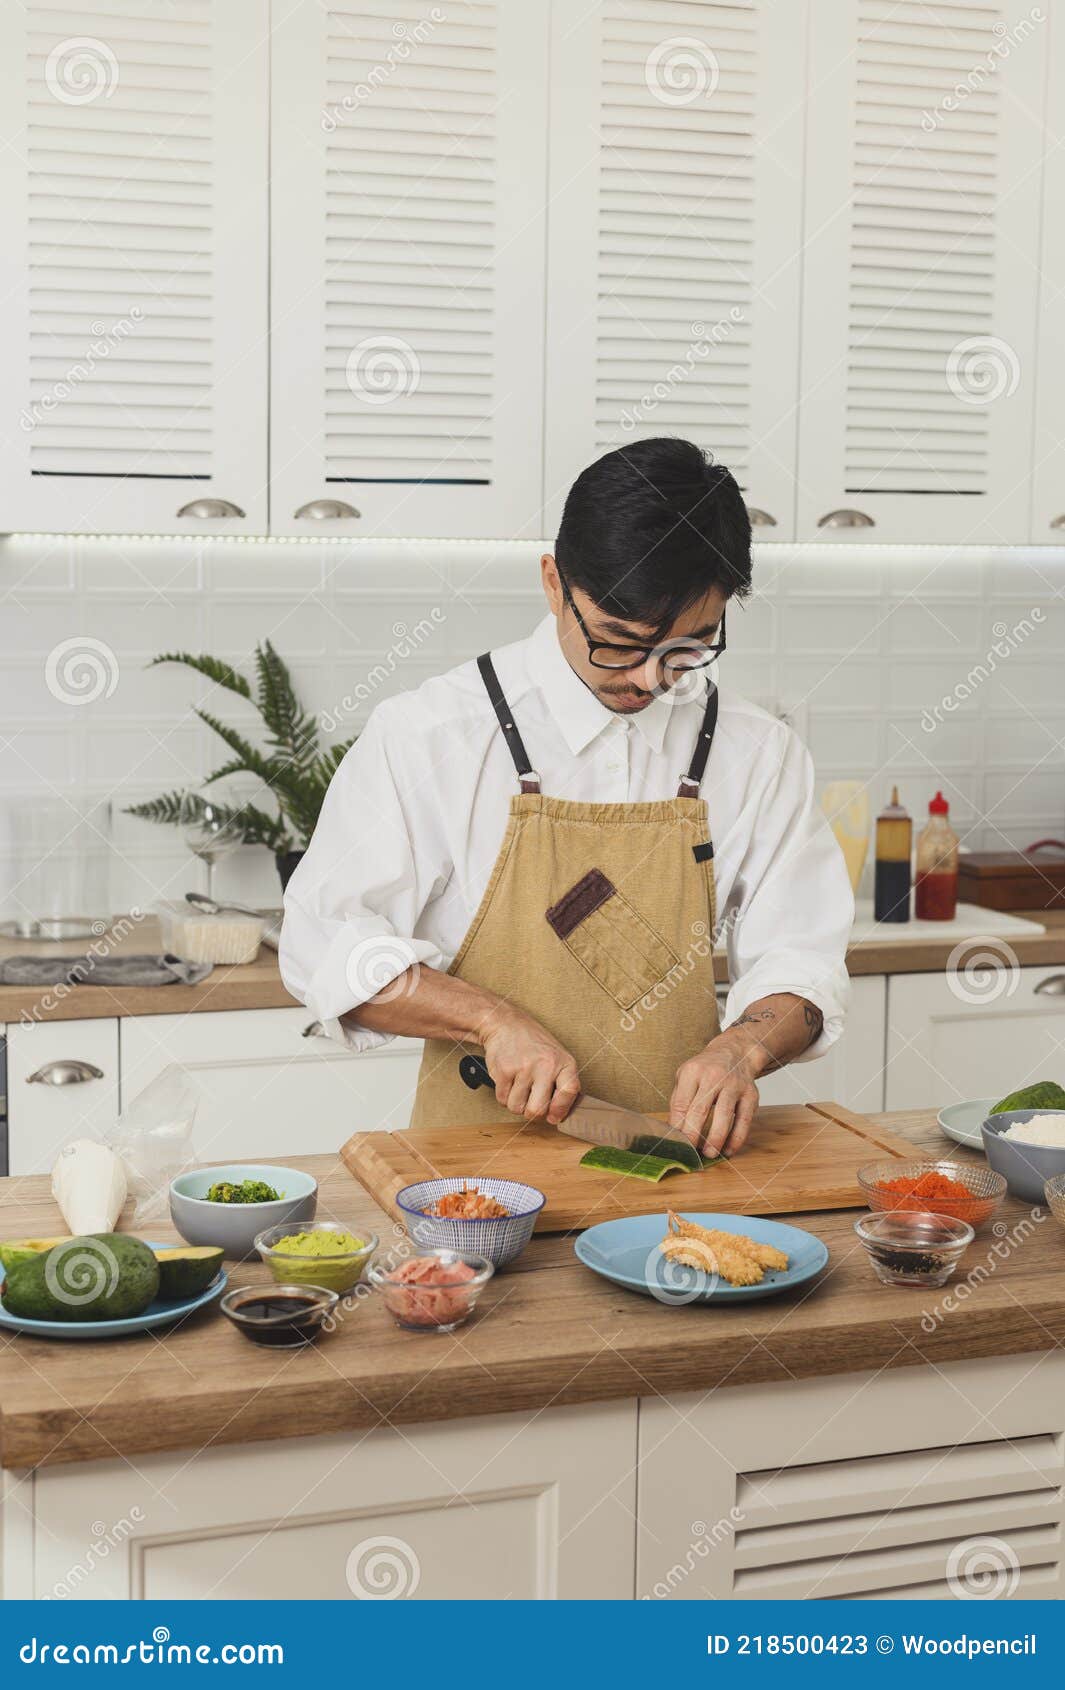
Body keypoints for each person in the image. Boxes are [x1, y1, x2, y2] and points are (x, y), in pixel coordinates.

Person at [280, 439, 852, 1156]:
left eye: (688, 647)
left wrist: (742, 1050)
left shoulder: (756, 751)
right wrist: (488, 1021)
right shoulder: (432, 733)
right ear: (554, 583)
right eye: (617, 641)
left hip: (678, 1166)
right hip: (472, 1182)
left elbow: (801, 959)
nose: (648, 681)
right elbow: (324, 945)